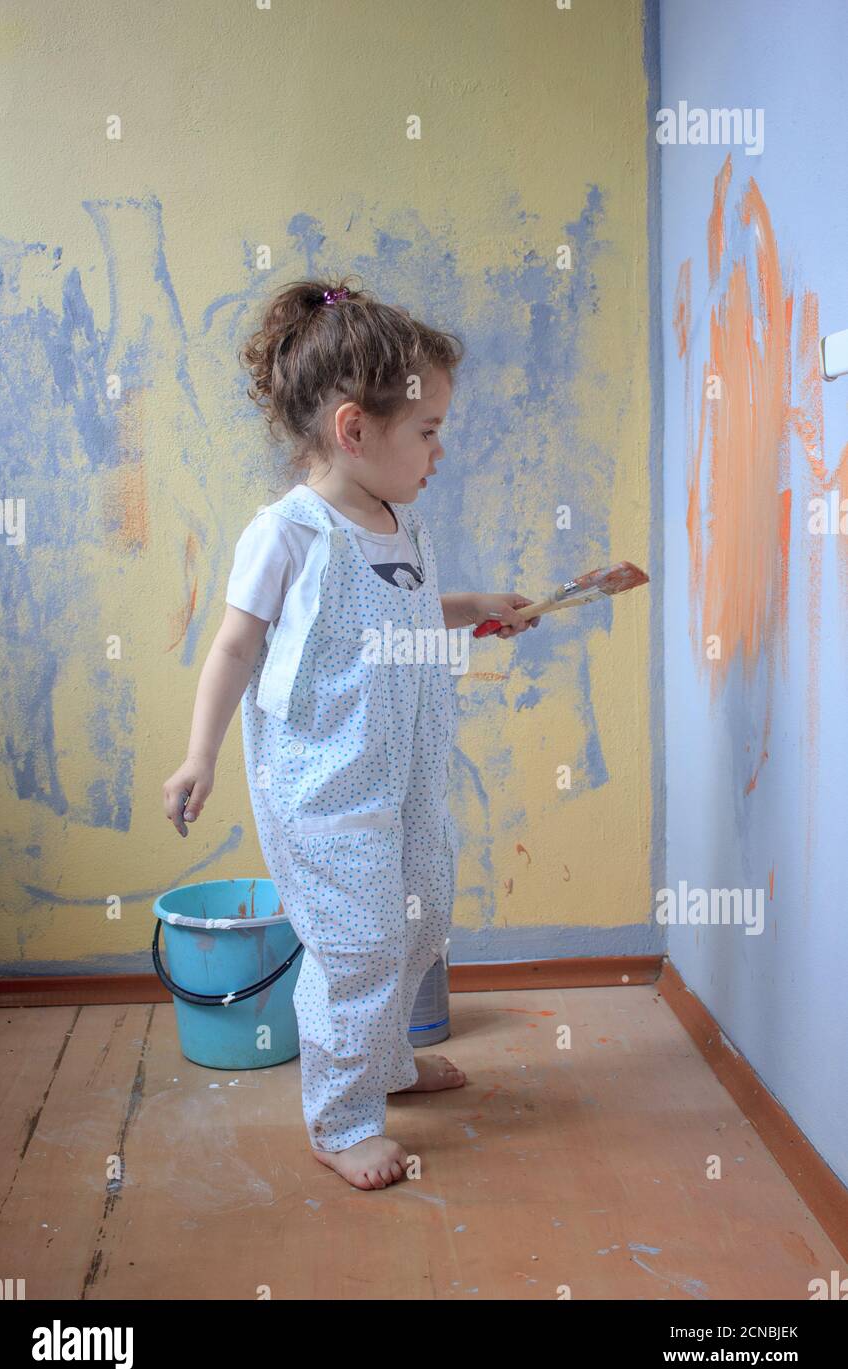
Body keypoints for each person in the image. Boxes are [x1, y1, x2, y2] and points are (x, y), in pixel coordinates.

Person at [163, 278, 539, 1190]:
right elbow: (234, 647)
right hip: (325, 785)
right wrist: (199, 754)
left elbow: (399, 615)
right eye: (427, 430)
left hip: (406, 772)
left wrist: (477, 607)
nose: (440, 449)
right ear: (353, 430)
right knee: (357, 945)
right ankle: (341, 1118)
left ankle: (387, 1065)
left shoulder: (398, 519)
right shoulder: (287, 534)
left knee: (422, 917)